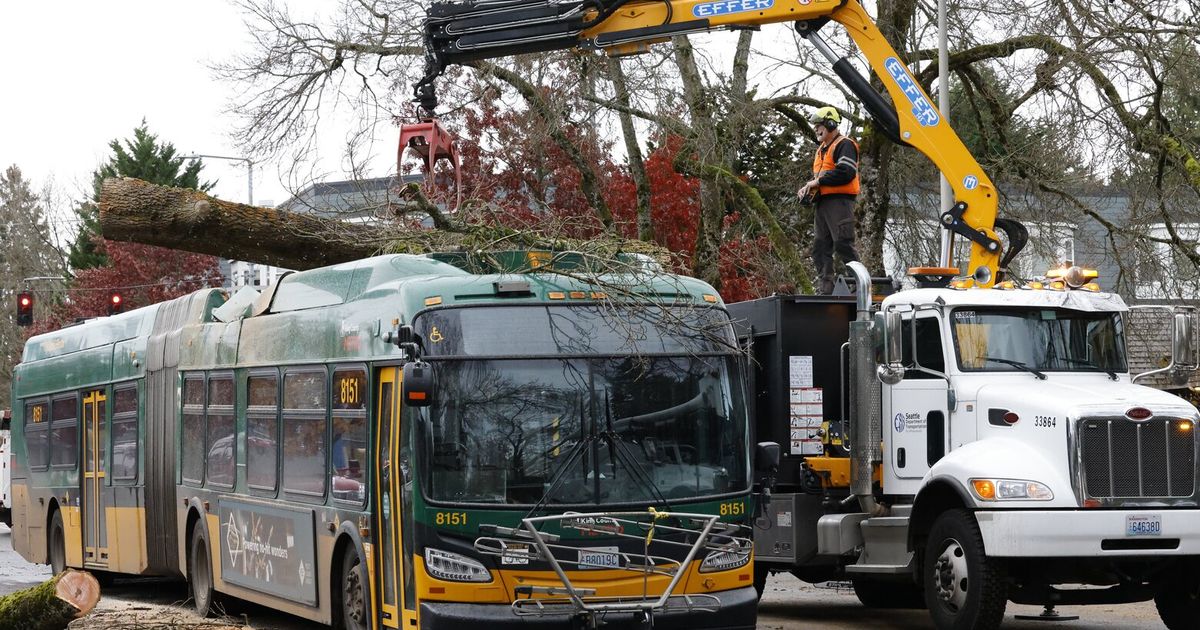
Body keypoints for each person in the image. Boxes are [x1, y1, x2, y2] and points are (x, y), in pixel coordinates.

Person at [797, 106, 861, 295]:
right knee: (820, 247)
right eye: (815, 126)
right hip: (823, 203)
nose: (816, 129)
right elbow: (822, 177)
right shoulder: (821, 150)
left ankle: (860, 285)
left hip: (840, 202)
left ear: (831, 124)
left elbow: (846, 172)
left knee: (843, 243)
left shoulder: (844, 144)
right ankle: (826, 289)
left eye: (819, 125)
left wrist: (817, 181)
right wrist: (808, 189)